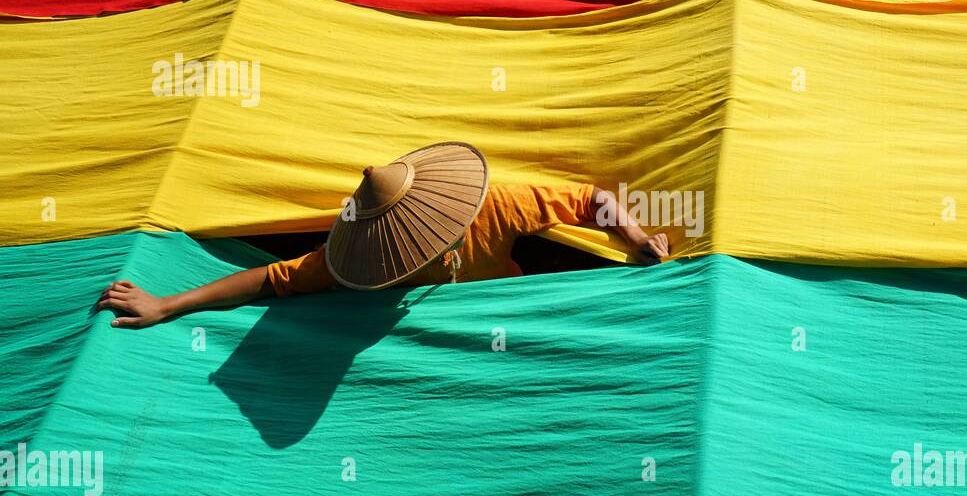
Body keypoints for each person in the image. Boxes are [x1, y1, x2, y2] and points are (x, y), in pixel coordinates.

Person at [98, 142, 670, 330]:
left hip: (510, 314)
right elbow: (272, 279)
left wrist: (636, 242)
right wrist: (168, 305)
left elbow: (594, 199)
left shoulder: (501, 203)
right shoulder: (364, 259)